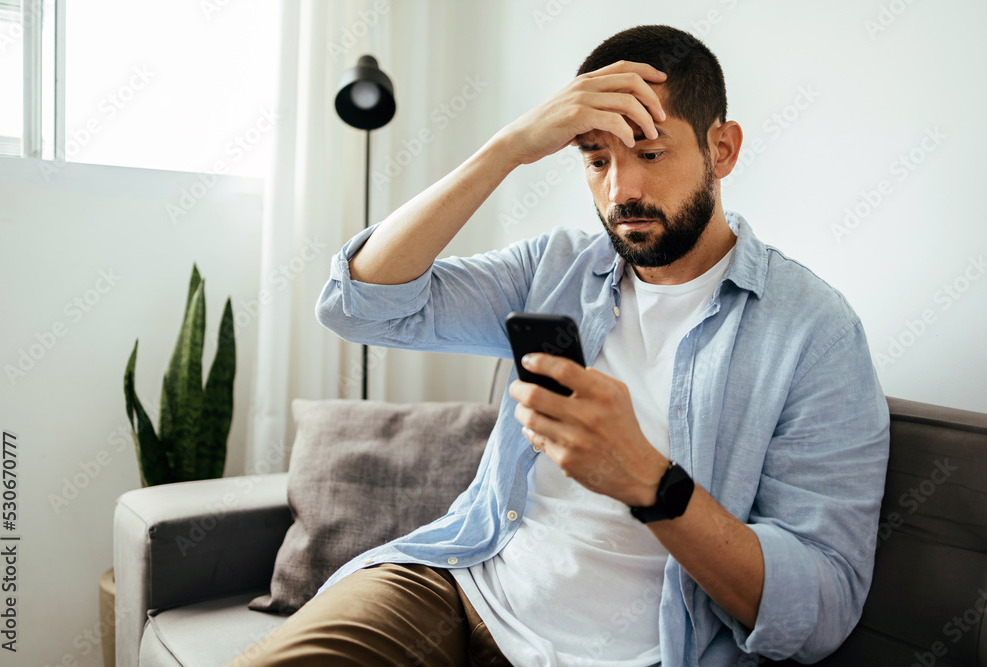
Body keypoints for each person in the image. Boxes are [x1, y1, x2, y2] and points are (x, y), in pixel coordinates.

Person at [238, 24, 890, 667]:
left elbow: (822, 609)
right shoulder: (557, 270)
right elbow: (360, 302)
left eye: (650, 152)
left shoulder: (815, 333)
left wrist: (648, 481)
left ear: (723, 149)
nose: (620, 191)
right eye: (598, 160)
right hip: (461, 581)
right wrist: (510, 147)